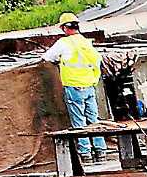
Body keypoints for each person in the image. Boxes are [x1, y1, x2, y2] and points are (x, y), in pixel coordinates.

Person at [41, 14, 105, 160]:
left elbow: (47, 57)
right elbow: (97, 60)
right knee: (93, 119)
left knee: (79, 122)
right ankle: (100, 150)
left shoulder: (64, 43)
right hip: (89, 85)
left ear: (64, 28)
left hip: (74, 87)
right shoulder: (85, 42)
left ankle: (85, 152)